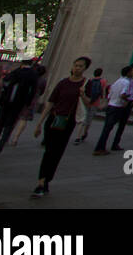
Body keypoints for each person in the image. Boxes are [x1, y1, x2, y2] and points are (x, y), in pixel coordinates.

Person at [30, 56, 92, 197]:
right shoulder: (63, 82)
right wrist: (39, 123)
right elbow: (51, 102)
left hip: (67, 122)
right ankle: (42, 181)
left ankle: (45, 181)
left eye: (80, 66)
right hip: (53, 119)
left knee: (56, 152)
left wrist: (83, 95)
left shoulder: (85, 84)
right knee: (49, 151)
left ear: (85, 68)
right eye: (76, 65)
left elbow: (89, 103)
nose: (77, 68)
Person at [0, 58, 39, 157]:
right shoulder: (32, 75)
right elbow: (33, 91)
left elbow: (4, 82)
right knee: (9, 125)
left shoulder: (15, 72)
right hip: (18, 103)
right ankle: (0, 146)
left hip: (6, 101)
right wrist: (27, 103)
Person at [92, 63, 133, 155]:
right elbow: (122, 94)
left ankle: (100, 147)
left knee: (106, 128)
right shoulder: (126, 82)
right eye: (131, 72)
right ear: (128, 73)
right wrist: (127, 100)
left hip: (111, 105)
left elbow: (110, 93)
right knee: (109, 128)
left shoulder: (117, 81)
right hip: (117, 107)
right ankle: (100, 148)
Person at [10, 64, 46, 145]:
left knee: (15, 117)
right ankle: (15, 138)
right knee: (24, 119)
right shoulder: (43, 81)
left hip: (22, 98)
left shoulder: (30, 77)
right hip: (32, 101)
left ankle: (7, 135)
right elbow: (42, 92)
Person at [73, 67, 107, 145]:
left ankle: (78, 136)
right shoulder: (103, 81)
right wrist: (103, 102)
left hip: (87, 101)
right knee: (89, 119)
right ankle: (84, 133)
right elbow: (103, 92)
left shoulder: (89, 80)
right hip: (95, 102)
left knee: (83, 117)